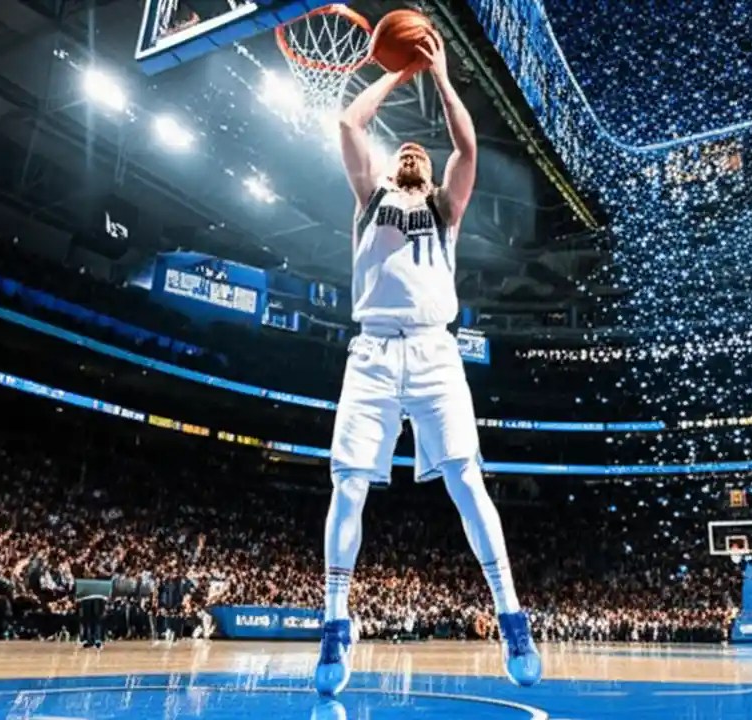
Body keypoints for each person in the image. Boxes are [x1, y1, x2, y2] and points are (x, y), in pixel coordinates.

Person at [315, 28, 540, 696]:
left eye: (420, 152)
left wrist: (440, 74)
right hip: (373, 352)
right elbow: (349, 123)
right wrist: (397, 71)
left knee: (467, 480)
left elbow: (467, 148)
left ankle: (511, 618)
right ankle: (334, 625)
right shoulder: (370, 201)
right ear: (388, 171)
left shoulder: (445, 209)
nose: (411, 152)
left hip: (436, 352)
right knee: (348, 485)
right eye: (402, 152)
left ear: (431, 175)